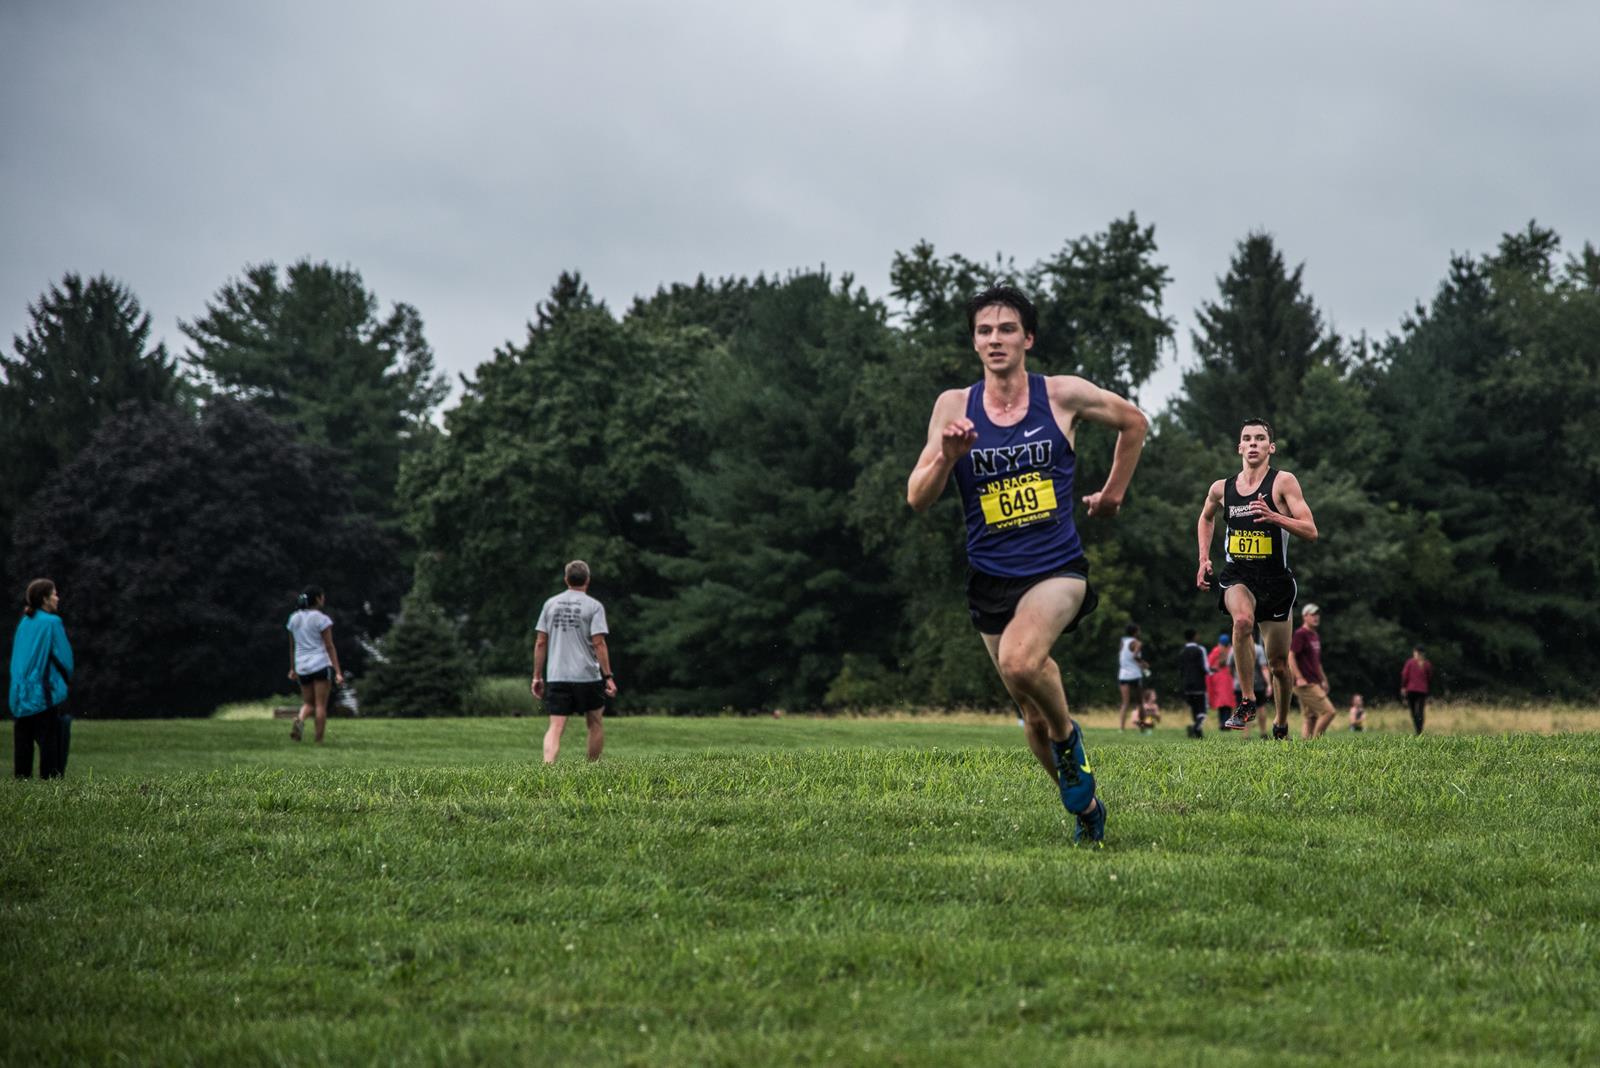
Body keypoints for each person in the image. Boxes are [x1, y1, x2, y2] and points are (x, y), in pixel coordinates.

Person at [906, 284, 1147, 846]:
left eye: (1007, 329)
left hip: (1056, 567)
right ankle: (1087, 811)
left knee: (1020, 662)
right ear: (974, 342)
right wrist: (947, 455)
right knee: (1029, 714)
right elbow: (918, 497)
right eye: (985, 331)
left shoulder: (1060, 396)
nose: (996, 339)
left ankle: (1070, 743)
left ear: (1028, 338)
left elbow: (1133, 421)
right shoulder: (953, 407)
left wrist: (1113, 493)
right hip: (991, 576)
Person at [1196, 417, 1319, 739]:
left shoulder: (1283, 482)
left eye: (1260, 438)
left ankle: (1280, 724)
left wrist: (1274, 516)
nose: (1253, 443)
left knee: (1279, 665)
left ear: (1270, 447)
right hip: (1238, 574)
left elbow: (1311, 530)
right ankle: (1248, 700)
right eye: (1247, 439)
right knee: (1241, 622)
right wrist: (1203, 558)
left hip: (1276, 582)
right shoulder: (1221, 488)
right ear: (1239, 447)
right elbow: (1205, 517)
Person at [531, 560, 617, 764]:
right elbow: (599, 643)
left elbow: (541, 642)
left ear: (566, 579)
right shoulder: (594, 606)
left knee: (556, 726)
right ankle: (591, 768)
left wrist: (537, 676)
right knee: (595, 723)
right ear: (587, 580)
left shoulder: (550, 604)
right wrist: (608, 676)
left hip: (558, 674)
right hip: (587, 675)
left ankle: (548, 768)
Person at [9, 579, 74, 779]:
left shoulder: (25, 622)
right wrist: (65, 683)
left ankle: (21, 780)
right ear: (45, 599)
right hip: (44, 694)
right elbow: (65, 659)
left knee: (23, 743)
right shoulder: (52, 622)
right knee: (50, 743)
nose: (57, 598)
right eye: (54, 594)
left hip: (19, 695)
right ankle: (50, 781)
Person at [286, 585, 344, 743]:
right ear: (318, 599)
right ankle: (319, 740)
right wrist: (337, 671)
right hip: (320, 664)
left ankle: (299, 719)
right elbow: (329, 646)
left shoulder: (294, 618)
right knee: (320, 705)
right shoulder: (321, 619)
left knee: (308, 703)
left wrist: (293, 668)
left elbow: (292, 647)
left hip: (302, 665)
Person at [1290, 603, 1337, 738]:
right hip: (1305, 683)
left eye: (1317, 614)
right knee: (1329, 712)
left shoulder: (1314, 635)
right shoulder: (1301, 634)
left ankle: (1306, 748)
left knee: (1310, 717)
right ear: (1304, 617)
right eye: (1312, 614)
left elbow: (1316, 662)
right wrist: (1299, 677)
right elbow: (1290, 656)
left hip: (1314, 681)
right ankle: (1316, 743)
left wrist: (1324, 680)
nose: (1316, 617)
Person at [1177, 628, 1210, 738]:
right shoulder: (1200, 650)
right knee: (1203, 710)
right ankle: (1196, 727)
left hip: (1187, 684)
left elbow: (1181, 669)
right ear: (1195, 636)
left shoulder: (1182, 652)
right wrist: (1212, 672)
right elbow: (1204, 667)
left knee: (1194, 709)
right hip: (1199, 683)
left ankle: (1198, 733)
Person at [1116, 623, 1149, 730]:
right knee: (1140, 702)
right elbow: (1135, 655)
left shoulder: (1122, 641)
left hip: (1123, 675)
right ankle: (1143, 727)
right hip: (1135, 674)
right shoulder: (1137, 643)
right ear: (1135, 632)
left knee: (1125, 702)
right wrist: (1143, 663)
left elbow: (1122, 655)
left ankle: (1121, 728)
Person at [1400, 646, 1434, 734]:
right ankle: (1419, 730)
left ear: (1415, 652)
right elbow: (1430, 677)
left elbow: (1404, 675)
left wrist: (1403, 687)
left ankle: (1417, 729)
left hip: (1411, 690)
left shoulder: (1410, 662)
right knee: (1420, 711)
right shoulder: (1427, 664)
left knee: (1413, 711)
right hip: (1422, 691)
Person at [1206, 634, 1235, 726]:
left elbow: (1208, 664)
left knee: (1221, 703)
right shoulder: (1231, 651)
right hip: (1230, 678)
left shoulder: (1216, 651)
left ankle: (1221, 723)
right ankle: (1227, 723)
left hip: (1217, 680)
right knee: (1228, 703)